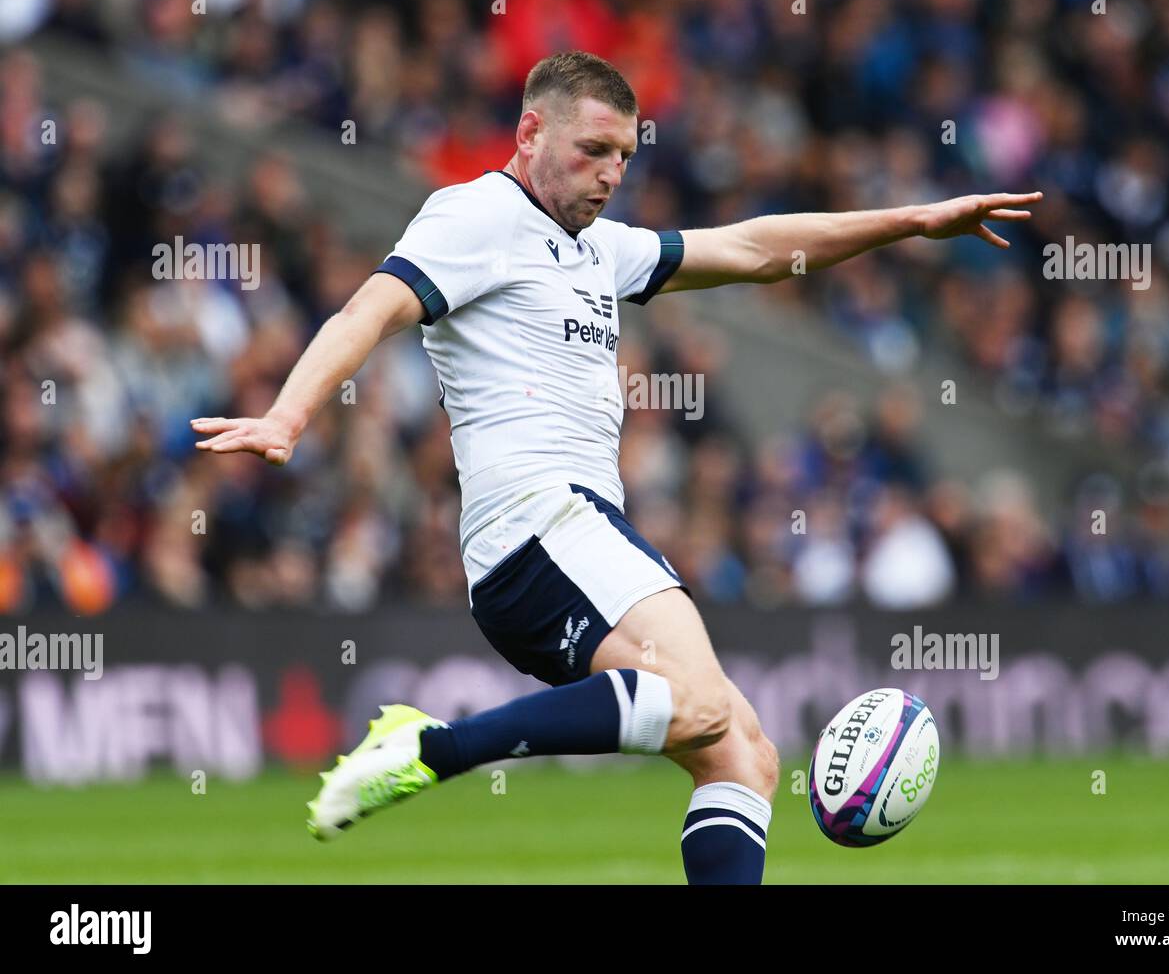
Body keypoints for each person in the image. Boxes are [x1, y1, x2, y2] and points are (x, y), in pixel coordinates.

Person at [192, 50, 1040, 884]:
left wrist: (912, 221)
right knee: (703, 706)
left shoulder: (597, 250)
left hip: (563, 543)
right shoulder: (475, 216)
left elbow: (752, 248)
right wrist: (289, 412)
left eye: (625, 157)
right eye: (592, 150)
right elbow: (369, 307)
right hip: (543, 523)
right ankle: (435, 747)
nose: (609, 174)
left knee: (742, 755)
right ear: (530, 132)